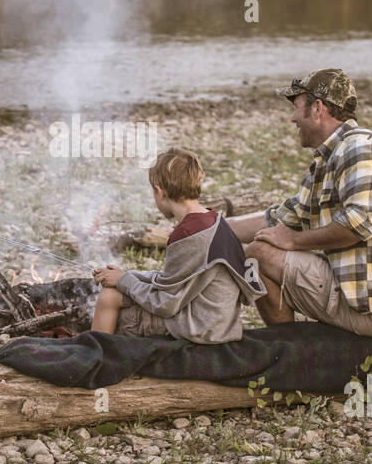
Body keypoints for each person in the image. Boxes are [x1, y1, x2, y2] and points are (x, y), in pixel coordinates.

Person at [230, 69, 372, 336]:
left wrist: (293, 241)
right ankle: (293, 349)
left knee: (258, 255)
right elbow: (280, 219)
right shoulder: (330, 157)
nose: (292, 118)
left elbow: (359, 224)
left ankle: (289, 354)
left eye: (296, 108)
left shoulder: (358, 148)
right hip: (370, 299)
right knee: (263, 246)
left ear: (317, 108)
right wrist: (210, 226)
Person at [92, 147, 265, 343]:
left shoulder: (189, 234)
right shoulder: (214, 220)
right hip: (218, 321)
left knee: (108, 298)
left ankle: (96, 361)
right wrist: (127, 275)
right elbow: (176, 281)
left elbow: (165, 303)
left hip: (201, 329)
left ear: (159, 191)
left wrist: (124, 281)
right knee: (117, 291)